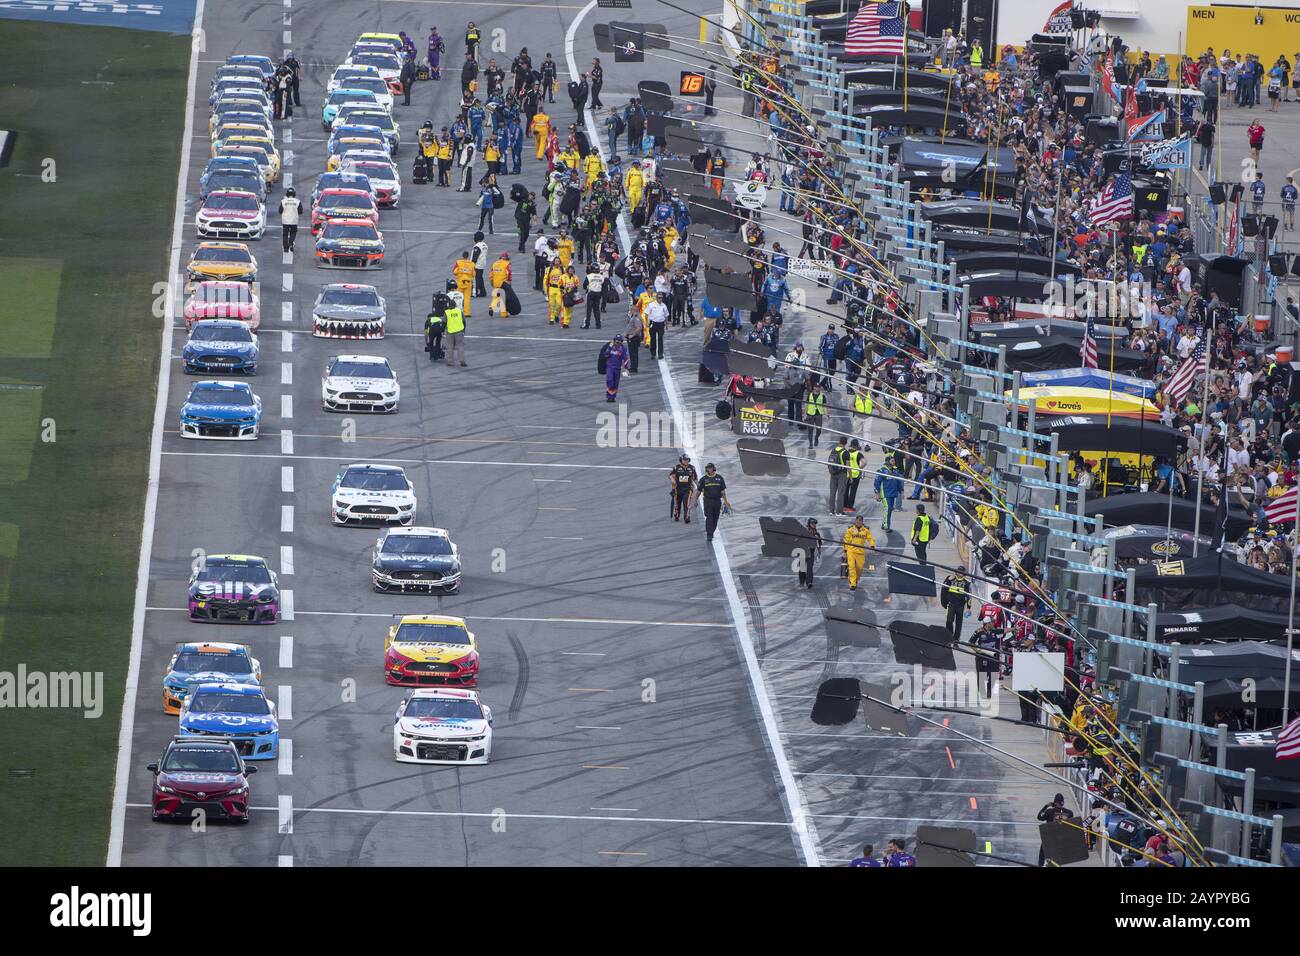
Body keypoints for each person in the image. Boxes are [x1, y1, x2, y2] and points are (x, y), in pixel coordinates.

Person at [693, 463, 730, 542]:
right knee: (709, 517)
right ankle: (709, 534)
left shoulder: (719, 478)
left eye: (710, 468)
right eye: (708, 468)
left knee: (715, 517)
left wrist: (726, 501)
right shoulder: (703, 479)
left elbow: (723, 491)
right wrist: (695, 500)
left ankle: (711, 531)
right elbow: (698, 491)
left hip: (717, 501)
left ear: (713, 468)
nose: (709, 469)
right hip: (708, 501)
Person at [1036, 794, 1076, 866]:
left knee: (1042, 856)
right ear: (1063, 802)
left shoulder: (1049, 811)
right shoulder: (1070, 813)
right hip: (1061, 839)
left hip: (1048, 839)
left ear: (1055, 802)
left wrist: (1046, 806)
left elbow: (1039, 817)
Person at [843, 516, 874, 591]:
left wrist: (872, 545)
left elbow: (870, 538)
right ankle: (852, 584)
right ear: (855, 521)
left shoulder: (866, 530)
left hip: (860, 552)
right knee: (852, 567)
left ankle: (856, 579)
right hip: (851, 551)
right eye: (857, 521)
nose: (858, 523)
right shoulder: (850, 529)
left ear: (862, 522)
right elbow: (846, 540)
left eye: (860, 522)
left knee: (859, 568)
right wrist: (845, 551)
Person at [940, 570, 971, 642]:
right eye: (958, 572)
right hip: (951, 604)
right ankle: (949, 635)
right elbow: (944, 588)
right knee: (949, 621)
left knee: (958, 623)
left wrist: (968, 608)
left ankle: (956, 638)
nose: (959, 573)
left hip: (960, 606)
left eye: (961, 572)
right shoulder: (950, 578)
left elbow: (969, 596)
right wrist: (948, 580)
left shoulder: (967, 582)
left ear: (964, 574)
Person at [874, 460, 903, 531]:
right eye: (892, 461)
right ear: (888, 462)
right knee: (888, 509)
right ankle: (886, 526)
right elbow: (877, 483)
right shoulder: (881, 471)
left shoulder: (895, 471)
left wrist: (901, 491)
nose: (894, 462)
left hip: (892, 494)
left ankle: (884, 524)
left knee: (889, 510)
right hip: (885, 494)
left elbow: (898, 482)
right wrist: (877, 493)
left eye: (894, 461)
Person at [796, 518, 822, 589]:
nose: (814, 525)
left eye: (815, 524)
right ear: (809, 524)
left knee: (810, 568)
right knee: (802, 567)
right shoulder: (803, 532)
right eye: (812, 524)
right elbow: (797, 540)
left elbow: (819, 544)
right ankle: (802, 581)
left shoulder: (816, 534)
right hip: (803, 552)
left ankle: (809, 582)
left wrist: (819, 552)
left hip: (811, 552)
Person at [424, 289, 450, 362]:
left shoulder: (428, 320)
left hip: (433, 330)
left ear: (429, 317)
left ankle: (432, 356)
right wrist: (443, 334)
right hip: (440, 329)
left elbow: (426, 333)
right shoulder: (438, 318)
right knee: (438, 342)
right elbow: (443, 326)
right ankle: (438, 354)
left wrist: (426, 342)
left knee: (431, 342)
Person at [670, 454, 697, 522]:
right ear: (681, 460)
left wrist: (699, 487)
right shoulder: (676, 467)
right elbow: (671, 475)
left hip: (688, 489)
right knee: (677, 504)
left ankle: (687, 517)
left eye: (687, 460)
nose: (686, 461)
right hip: (678, 489)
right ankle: (677, 515)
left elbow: (695, 478)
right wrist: (673, 480)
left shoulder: (692, 468)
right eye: (684, 460)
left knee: (686, 504)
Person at [603, 334, 629, 402]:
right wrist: (609, 348)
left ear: (621, 341)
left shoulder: (623, 348)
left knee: (615, 383)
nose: (617, 342)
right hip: (610, 367)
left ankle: (612, 397)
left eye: (619, 341)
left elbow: (625, 359)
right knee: (610, 380)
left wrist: (626, 368)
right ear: (614, 340)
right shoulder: (610, 346)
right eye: (616, 340)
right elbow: (605, 355)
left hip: (617, 368)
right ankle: (609, 394)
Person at [826, 438, 848, 516]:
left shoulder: (833, 450)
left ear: (839, 442)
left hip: (833, 474)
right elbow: (848, 466)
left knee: (832, 493)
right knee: (840, 493)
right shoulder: (845, 452)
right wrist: (851, 476)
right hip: (842, 474)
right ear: (846, 443)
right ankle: (839, 511)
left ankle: (831, 511)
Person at [842, 439, 865, 512]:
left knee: (845, 491)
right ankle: (850, 506)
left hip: (847, 475)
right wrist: (860, 467)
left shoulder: (846, 453)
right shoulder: (858, 454)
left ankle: (844, 505)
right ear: (857, 446)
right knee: (853, 491)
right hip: (855, 475)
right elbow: (864, 462)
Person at [444, 299, 467, 367]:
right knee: (460, 346)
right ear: (455, 305)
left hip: (450, 332)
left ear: (448, 306)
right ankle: (462, 361)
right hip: (459, 331)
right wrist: (463, 330)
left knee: (450, 347)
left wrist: (443, 331)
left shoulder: (446, 312)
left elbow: (444, 322)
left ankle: (450, 361)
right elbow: (464, 321)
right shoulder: (459, 311)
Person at [278, 187, 302, 253]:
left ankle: (285, 249)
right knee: (293, 233)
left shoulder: (283, 201)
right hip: (294, 221)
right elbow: (300, 211)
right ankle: (291, 243)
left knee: (285, 234)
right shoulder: (297, 201)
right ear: (294, 194)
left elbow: (280, 211)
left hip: (285, 221)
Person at [646, 291, 669, 358]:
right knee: (653, 339)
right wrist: (647, 322)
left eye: (661, 298)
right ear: (656, 298)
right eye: (659, 298)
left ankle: (660, 354)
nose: (660, 299)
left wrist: (667, 324)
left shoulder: (664, 305)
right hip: (653, 323)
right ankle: (653, 354)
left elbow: (666, 315)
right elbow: (646, 314)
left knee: (660, 339)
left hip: (661, 324)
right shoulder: (651, 305)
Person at [452, 251, 476, 315]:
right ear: (468, 256)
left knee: (458, 298)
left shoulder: (458, 262)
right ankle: (467, 313)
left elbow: (454, 272)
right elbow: (474, 274)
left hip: (460, 282)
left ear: (462, 256)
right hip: (468, 283)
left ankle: (458, 311)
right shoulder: (472, 264)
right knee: (467, 299)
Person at [805, 380, 826, 449]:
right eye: (816, 387)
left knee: (819, 429)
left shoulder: (822, 396)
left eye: (819, 387)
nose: (817, 388)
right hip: (810, 414)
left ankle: (816, 437)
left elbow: (825, 406)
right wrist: (805, 413)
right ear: (814, 387)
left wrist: (827, 414)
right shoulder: (810, 394)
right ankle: (810, 444)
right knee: (810, 430)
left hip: (819, 414)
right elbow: (806, 404)